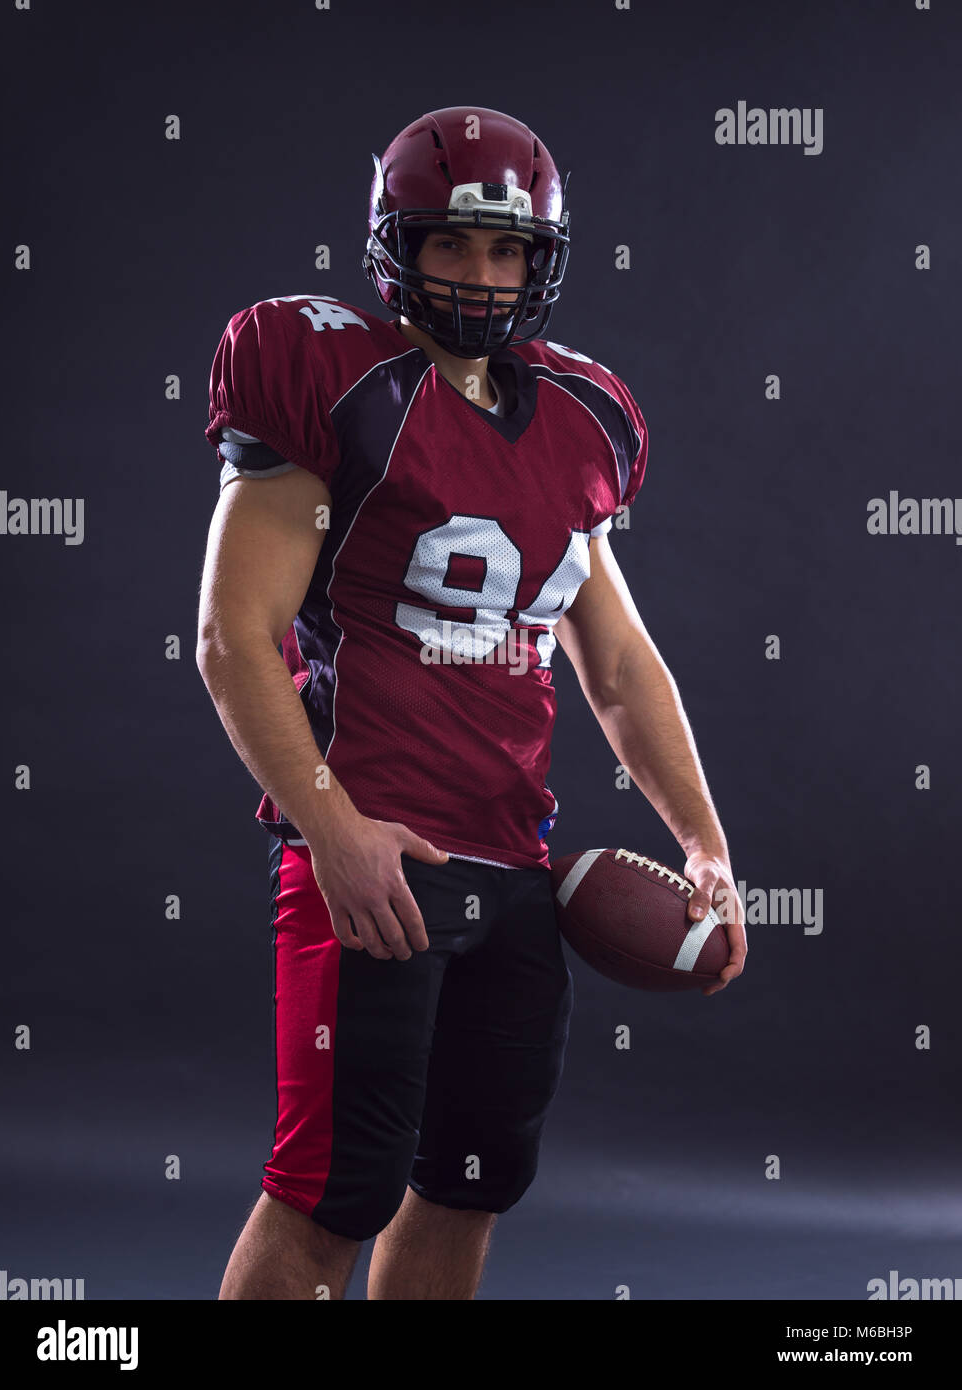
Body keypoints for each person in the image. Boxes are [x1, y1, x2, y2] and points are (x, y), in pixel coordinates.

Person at [196, 105, 746, 1301]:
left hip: (515, 866)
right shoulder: (333, 380)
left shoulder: (582, 416)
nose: (484, 279)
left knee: (468, 1187)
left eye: (508, 253)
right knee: (331, 1194)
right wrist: (331, 831)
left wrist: (702, 839)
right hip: (376, 850)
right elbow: (231, 638)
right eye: (455, 246)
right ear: (401, 247)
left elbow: (619, 662)